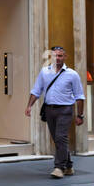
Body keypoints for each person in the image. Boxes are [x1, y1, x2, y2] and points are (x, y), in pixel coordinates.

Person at [24, 46, 86, 178]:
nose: (57, 58)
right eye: (55, 56)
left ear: (65, 57)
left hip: (65, 110)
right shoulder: (44, 72)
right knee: (57, 139)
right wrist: (29, 106)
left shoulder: (72, 74)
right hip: (49, 109)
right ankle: (69, 165)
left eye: (60, 56)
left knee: (60, 137)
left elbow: (80, 96)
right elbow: (36, 90)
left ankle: (59, 167)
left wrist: (80, 115)